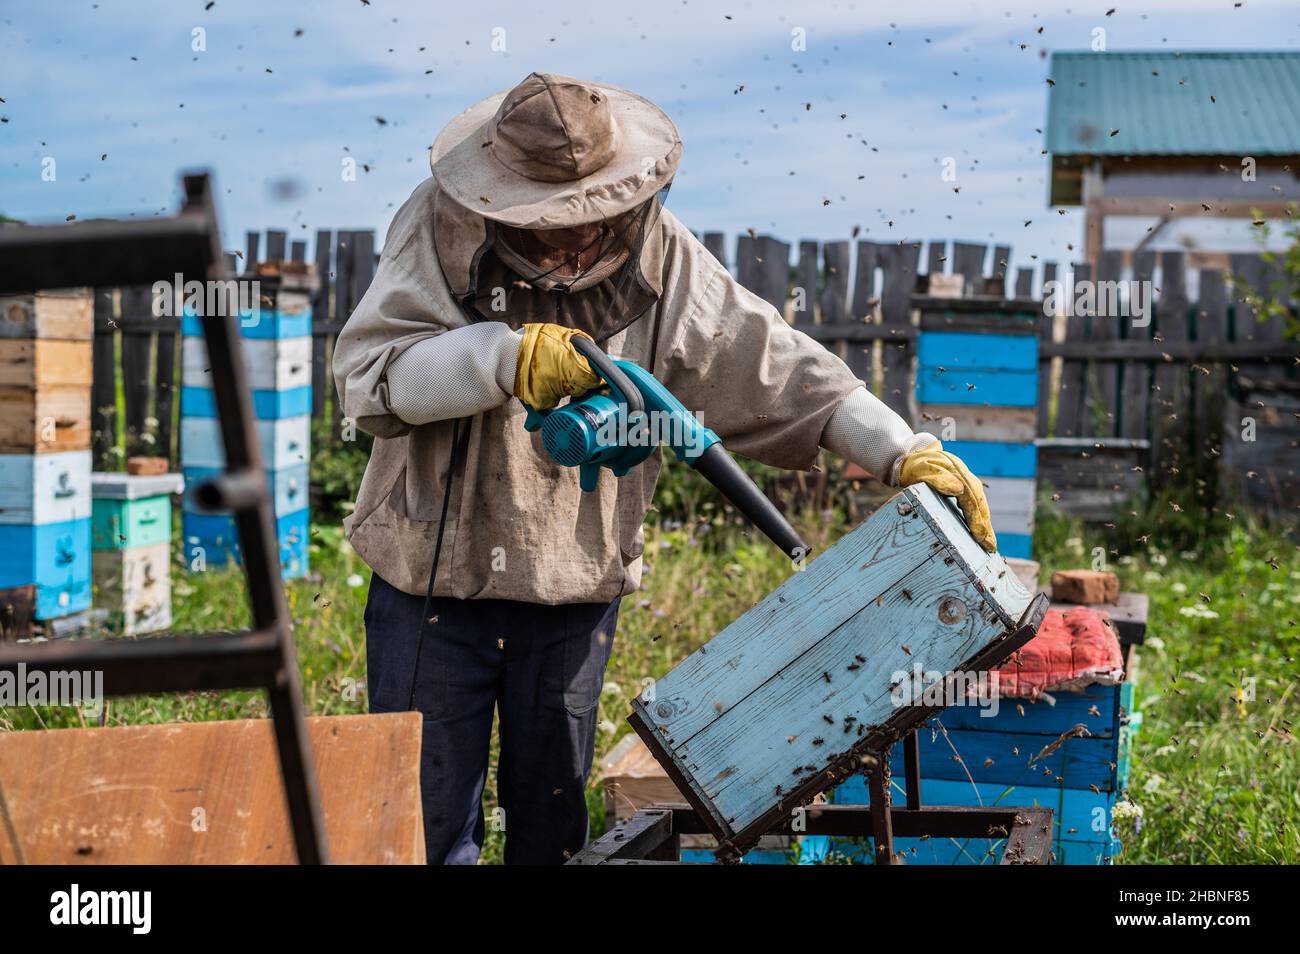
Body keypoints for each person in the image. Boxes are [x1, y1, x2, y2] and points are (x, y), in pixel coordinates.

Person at [332, 72, 995, 865]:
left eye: (585, 224)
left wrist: (900, 450)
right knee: (420, 823)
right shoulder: (435, 227)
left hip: (572, 582)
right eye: (545, 229)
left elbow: (779, 366)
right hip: (430, 585)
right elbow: (370, 382)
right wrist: (501, 357)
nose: (569, 246)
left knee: (550, 821)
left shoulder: (665, 254)